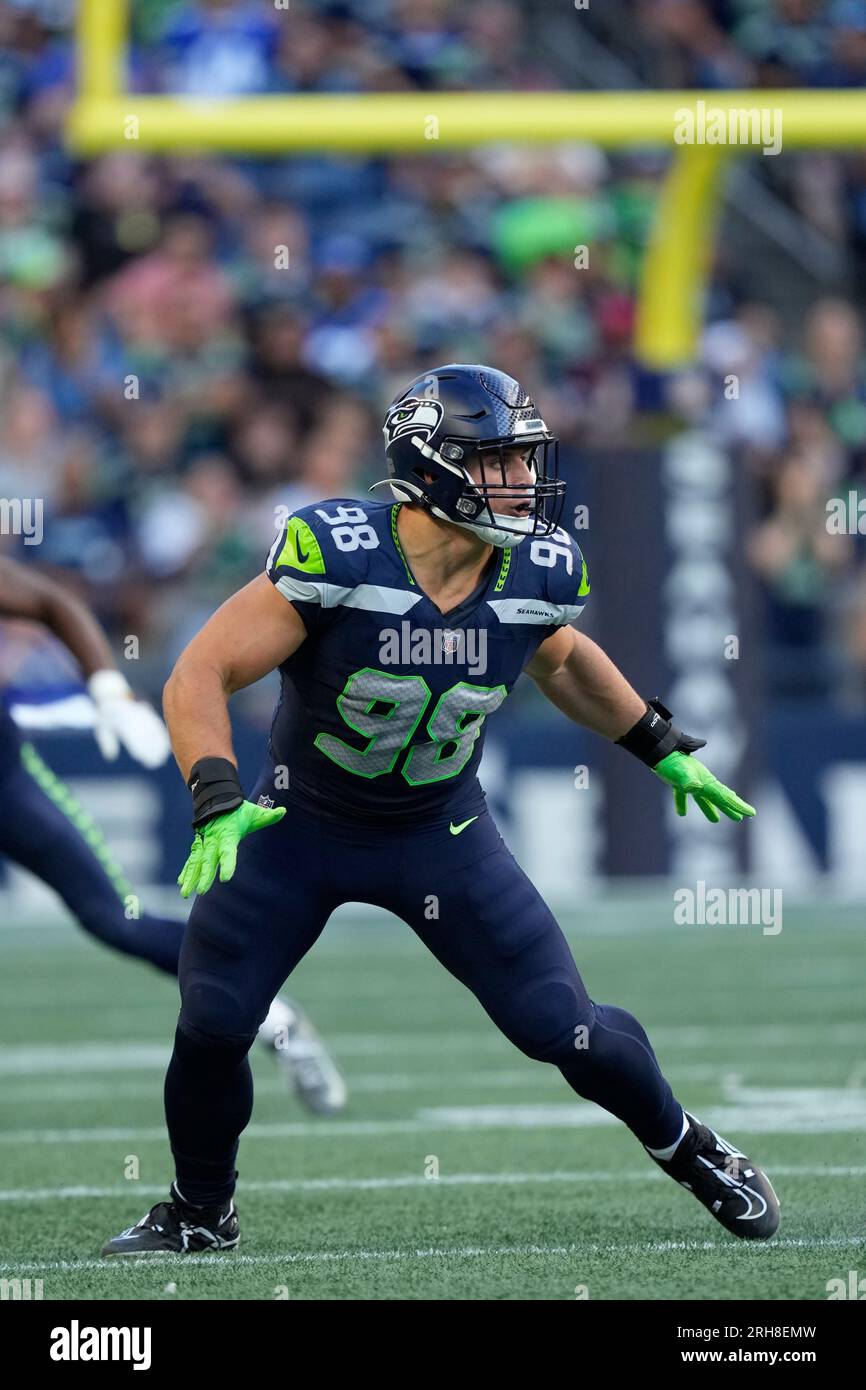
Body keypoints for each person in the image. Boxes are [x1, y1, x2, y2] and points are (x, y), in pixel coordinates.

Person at [101, 364, 778, 1256]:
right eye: (500, 462)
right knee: (216, 1016)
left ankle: (688, 1144)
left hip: (439, 835)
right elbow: (200, 671)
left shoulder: (535, 569)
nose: (525, 482)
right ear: (432, 466)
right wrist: (217, 796)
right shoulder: (338, 550)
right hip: (297, 826)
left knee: (561, 1027)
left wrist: (654, 740)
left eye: (525, 460)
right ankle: (200, 1211)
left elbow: (563, 659)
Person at [0, 556, 345, 1115]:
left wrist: (109, 690)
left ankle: (275, 1017)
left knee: (118, 919)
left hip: (5, 782)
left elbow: (51, 603)